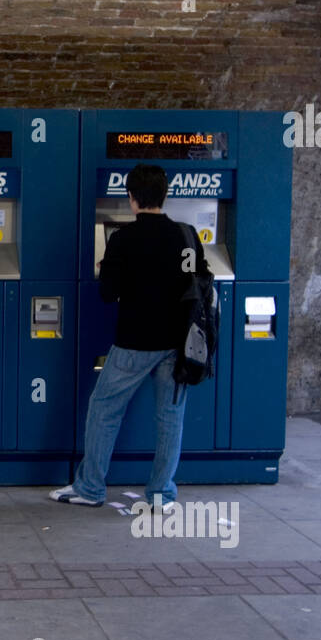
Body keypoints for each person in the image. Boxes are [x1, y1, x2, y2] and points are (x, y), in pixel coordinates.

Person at [50, 163, 208, 511]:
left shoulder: (123, 239)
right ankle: (161, 495)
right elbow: (199, 279)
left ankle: (90, 488)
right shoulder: (186, 235)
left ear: (132, 198)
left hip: (135, 342)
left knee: (104, 409)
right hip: (178, 344)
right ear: (164, 196)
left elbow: (108, 292)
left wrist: (114, 272)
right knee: (170, 418)